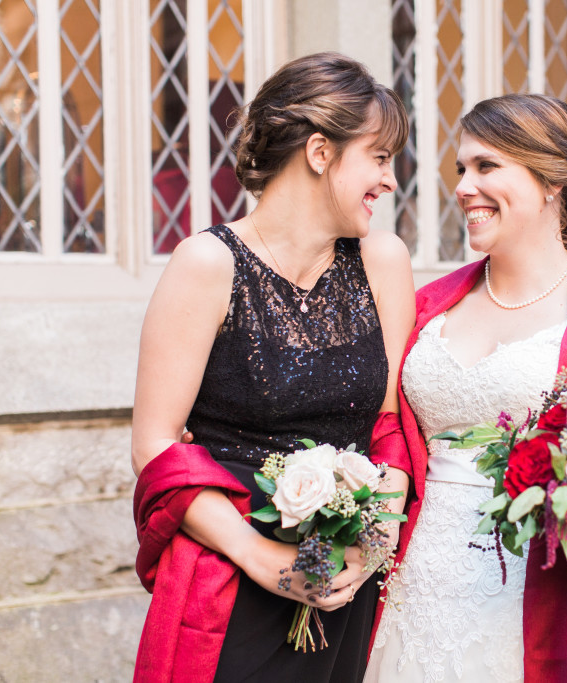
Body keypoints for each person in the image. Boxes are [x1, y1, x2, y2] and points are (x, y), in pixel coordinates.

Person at [365, 94, 567, 682]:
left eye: (487, 167)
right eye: (462, 168)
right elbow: (381, 422)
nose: (464, 186)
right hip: (415, 584)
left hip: (538, 588)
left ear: (552, 182)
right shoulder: (428, 307)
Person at [130, 52, 415, 683]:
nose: (390, 181)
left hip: (345, 580)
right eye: (379, 157)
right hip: (230, 580)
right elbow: (156, 449)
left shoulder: (384, 261)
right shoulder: (206, 264)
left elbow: (391, 424)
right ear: (320, 152)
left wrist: (375, 541)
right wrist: (257, 555)